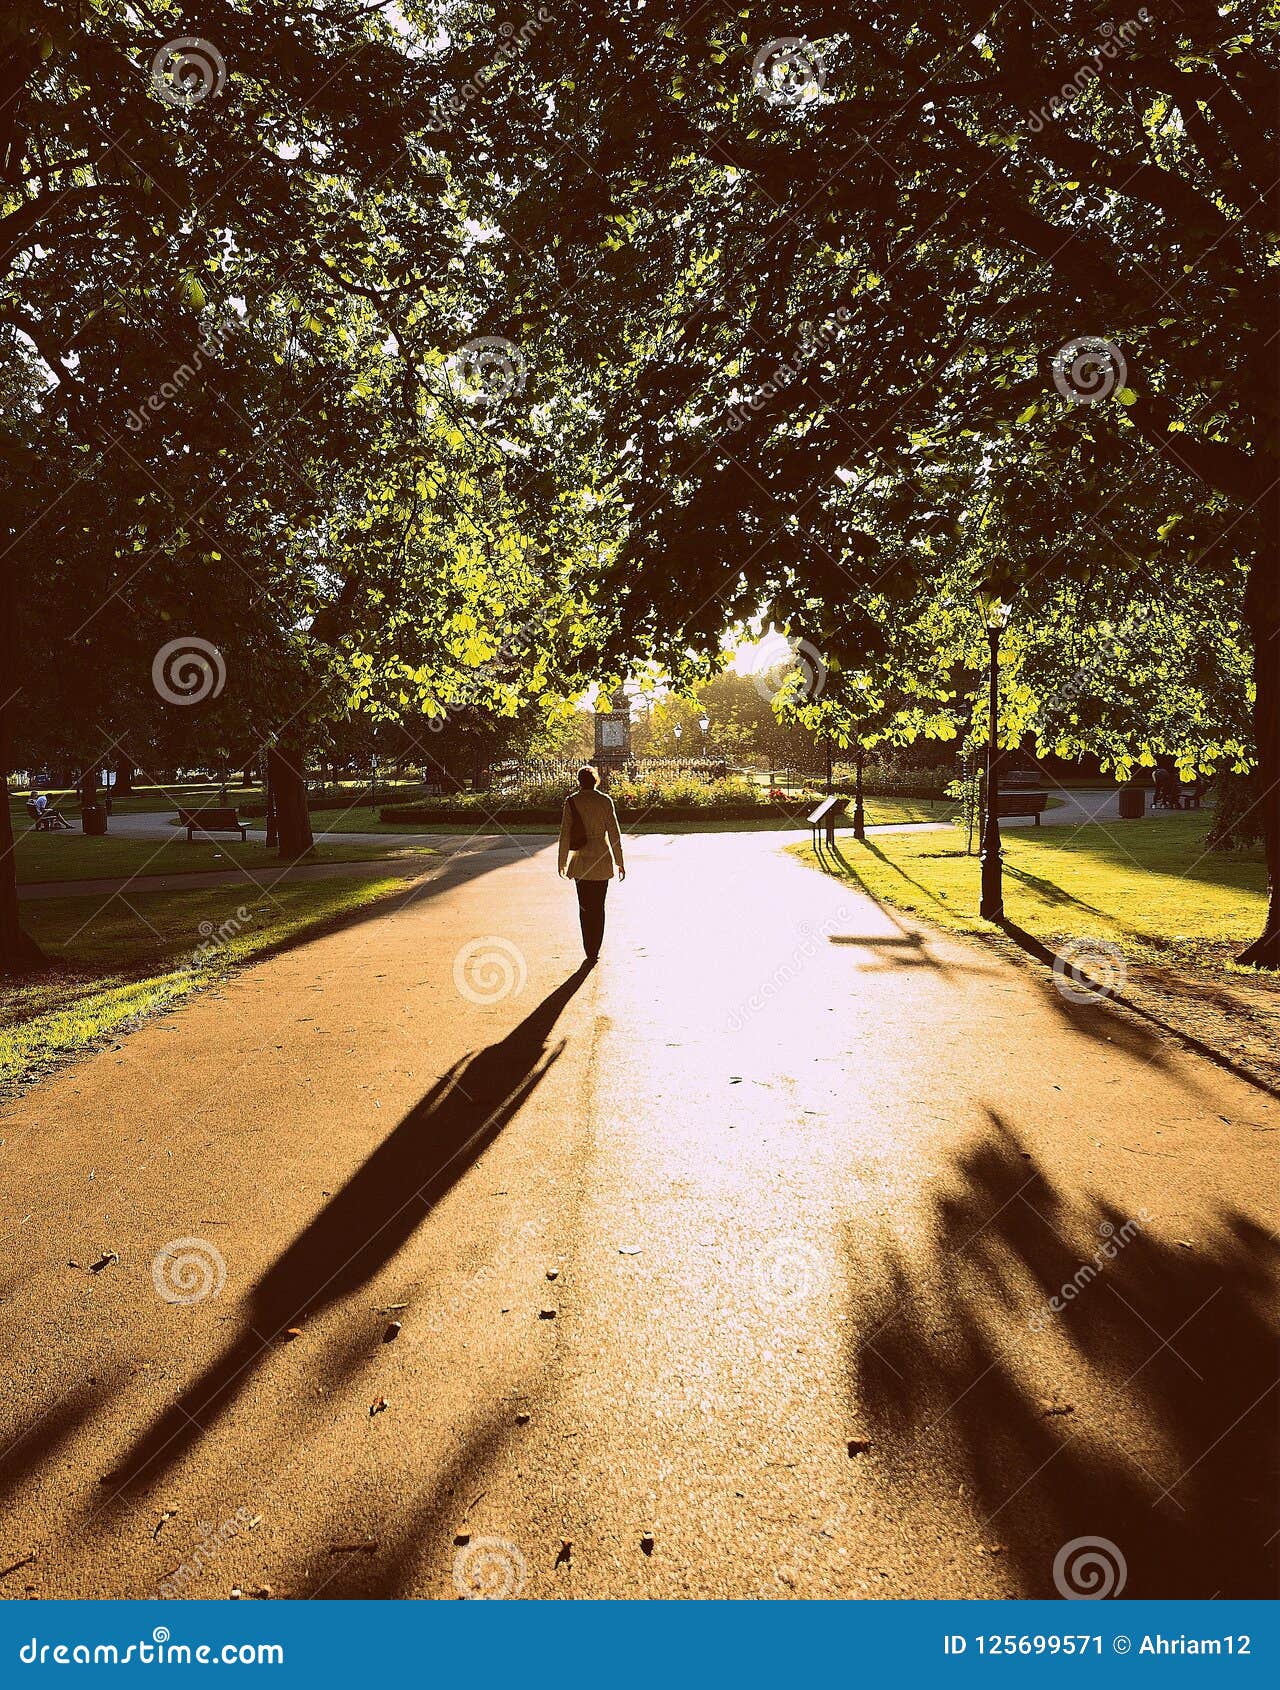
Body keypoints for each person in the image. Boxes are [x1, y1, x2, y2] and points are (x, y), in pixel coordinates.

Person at [558, 765, 625, 963]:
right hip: (601, 857)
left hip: (580, 860)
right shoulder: (605, 801)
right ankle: (595, 948)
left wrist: (562, 861)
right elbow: (614, 833)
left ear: (579, 781)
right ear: (596, 780)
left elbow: (565, 833)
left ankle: (588, 948)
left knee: (585, 907)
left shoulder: (572, 801)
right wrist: (620, 861)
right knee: (599, 907)